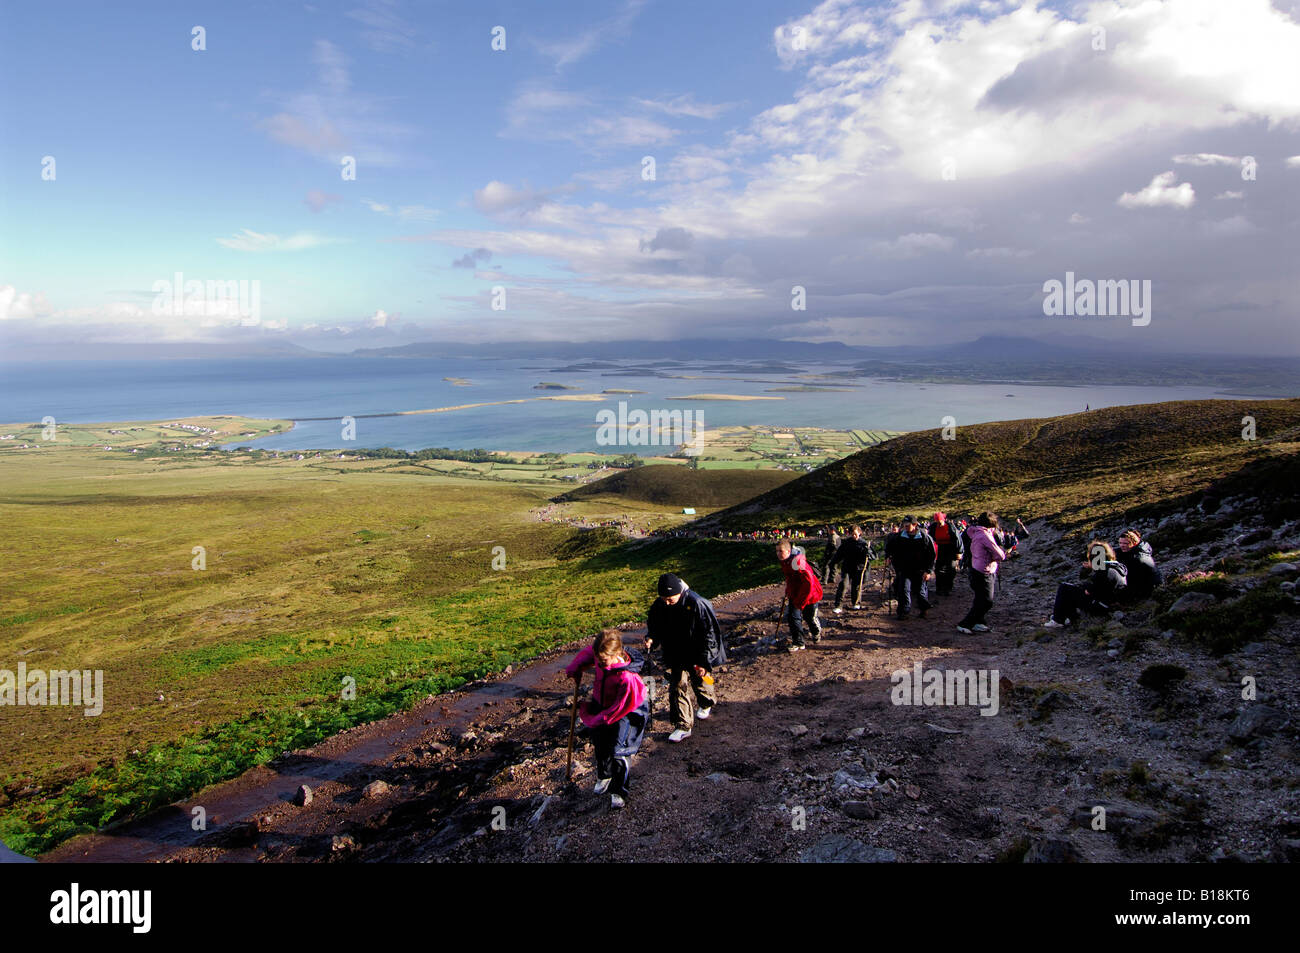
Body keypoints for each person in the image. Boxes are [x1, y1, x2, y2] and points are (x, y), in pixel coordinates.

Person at [565, 630, 650, 810]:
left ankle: (618, 790)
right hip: (601, 702)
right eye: (598, 659)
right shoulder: (601, 656)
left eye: (603, 661)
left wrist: (599, 719)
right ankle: (605, 775)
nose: (600, 664)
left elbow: (619, 707)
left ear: (616, 654)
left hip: (625, 711)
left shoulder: (627, 677)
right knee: (600, 742)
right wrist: (575, 667)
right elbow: (589, 653)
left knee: (619, 749)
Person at [645, 573, 726, 743]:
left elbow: (710, 634)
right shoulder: (660, 604)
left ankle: (707, 702)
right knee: (677, 686)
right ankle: (683, 725)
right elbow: (655, 625)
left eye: (670, 599)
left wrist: (705, 661)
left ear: (679, 592)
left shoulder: (696, 603)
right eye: (663, 598)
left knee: (702, 681)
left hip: (697, 652)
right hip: (675, 653)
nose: (666, 602)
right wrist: (652, 638)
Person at [1043, 540, 1128, 628]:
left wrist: (1085, 586)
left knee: (1065, 588)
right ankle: (1068, 617)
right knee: (1075, 589)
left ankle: (1058, 620)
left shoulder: (1103, 572)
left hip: (1102, 606)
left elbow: (1090, 591)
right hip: (1113, 602)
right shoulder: (1116, 567)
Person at [956, 512, 1007, 633]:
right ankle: (966, 624)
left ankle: (978, 622)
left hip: (976, 569)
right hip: (984, 571)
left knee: (979, 598)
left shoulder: (975, 533)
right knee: (986, 601)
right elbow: (1000, 555)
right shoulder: (985, 535)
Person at [883, 516, 936, 619]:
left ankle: (923, 609)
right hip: (904, 568)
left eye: (908, 525)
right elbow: (890, 547)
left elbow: (931, 555)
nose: (905, 527)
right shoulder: (899, 537)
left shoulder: (924, 538)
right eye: (904, 525)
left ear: (915, 525)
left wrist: (928, 571)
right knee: (903, 589)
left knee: (920, 591)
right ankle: (903, 612)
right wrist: (888, 556)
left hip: (920, 569)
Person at [776, 539, 823, 651]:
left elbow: (808, 583)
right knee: (793, 617)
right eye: (777, 551)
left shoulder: (797, 563)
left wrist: (800, 602)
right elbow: (791, 578)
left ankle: (816, 632)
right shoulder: (785, 561)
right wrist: (789, 590)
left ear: (788, 551)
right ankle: (798, 642)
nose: (778, 554)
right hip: (795, 593)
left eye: (780, 551)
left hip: (811, 595)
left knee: (809, 617)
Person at [827, 524, 873, 613]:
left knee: (856, 586)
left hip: (858, 568)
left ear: (859, 533)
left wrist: (868, 553)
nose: (853, 536)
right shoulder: (846, 543)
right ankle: (838, 605)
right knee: (843, 585)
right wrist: (833, 562)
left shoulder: (864, 544)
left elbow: (872, 556)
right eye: (852, 534)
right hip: (847, 567)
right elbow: (839, 554)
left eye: (855, 534)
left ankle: (856, 603)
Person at [1116, 530, 1162, 601]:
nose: (1122, 545)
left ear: (1134, 543)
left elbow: (1127, 579)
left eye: (1125, 543)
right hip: (1144, 586)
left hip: (1145, 592)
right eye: (1120, 543)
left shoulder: (1137, 558)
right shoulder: (1139, 549)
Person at [928, 512, 964, 596]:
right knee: (938, 569)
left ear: (943, 520)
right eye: (936, 522)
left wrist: (959, 552)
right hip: (938, 549)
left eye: (939, 522)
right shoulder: (933, 528)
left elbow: (958, 539)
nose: (938, 524)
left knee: (951, 569)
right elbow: (929, 539)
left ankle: (948, 587)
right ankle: (939, 588)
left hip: (950, 549)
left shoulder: (950, 527)